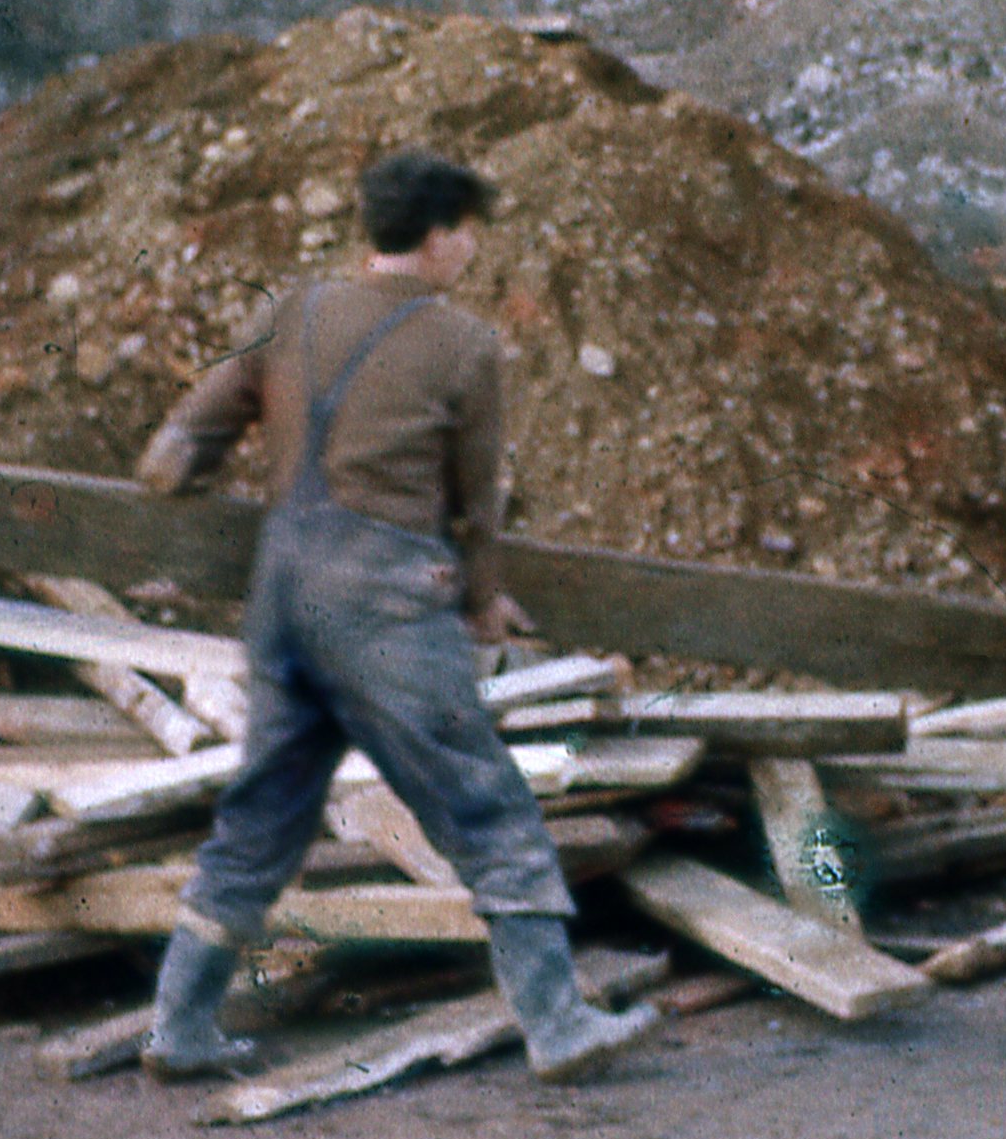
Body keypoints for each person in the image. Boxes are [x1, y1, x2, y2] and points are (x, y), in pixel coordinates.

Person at [128, 148, 656, 1083]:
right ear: (445, 234)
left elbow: (182, 442)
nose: (472, 249)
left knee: (259, 817)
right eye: (470, 232)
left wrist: (177, 470)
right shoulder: (462, 342)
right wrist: (487, 600)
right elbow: (475, 505)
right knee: (484, 805)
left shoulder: (296, 308)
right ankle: (560, 1025)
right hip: (387, 606)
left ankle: (179, 1024)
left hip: (282, 595)